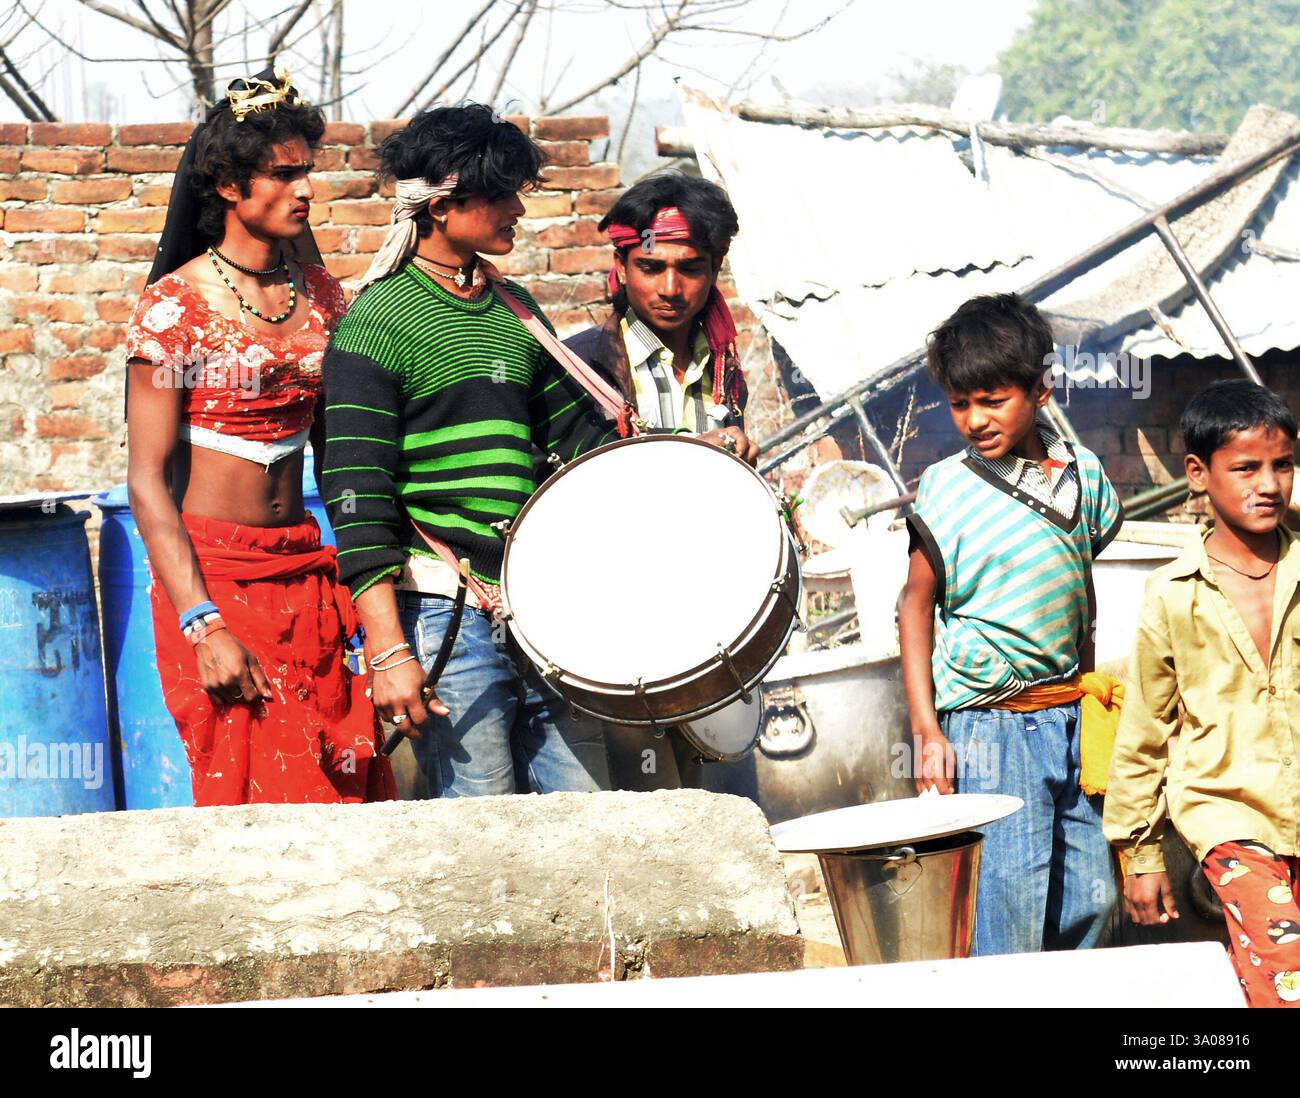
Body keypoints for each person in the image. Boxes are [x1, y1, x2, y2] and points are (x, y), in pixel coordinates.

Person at [321, 104, 632, 798]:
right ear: (443, 203)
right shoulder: (375, 322)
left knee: (584, 822)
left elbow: (582, 445)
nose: (518, 207)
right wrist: (390, 651)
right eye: (501, 192)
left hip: (545, 608)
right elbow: (355, 501)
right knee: (482, 840)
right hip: (441, 614)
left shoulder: (516, 309)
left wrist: (685, 454)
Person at [125, 67, 394, 806]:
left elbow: (344, 456)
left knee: (346, 781)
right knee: (258, 803)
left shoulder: (328, 299)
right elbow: (147, 481)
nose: (305, 190)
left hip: (306, 572)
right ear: (229, 186)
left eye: (307, 171)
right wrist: (200, 622)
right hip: (216, 580)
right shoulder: (174, 308)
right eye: (284, 174)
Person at [898, 292, 1124, 955]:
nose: (974, 419)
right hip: (991, 723)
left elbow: (1075, 576)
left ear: (1042, 389)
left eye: (993, 399)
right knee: (1011, 906)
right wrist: (925, 731)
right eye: (961, 403)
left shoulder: (1084, 477)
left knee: (1091, 898)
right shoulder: (945, 488)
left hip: (1070, 717)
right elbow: (914, 605)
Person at [1104, 379, 1300, 1007]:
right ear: (1197, 474)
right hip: (1232, 817)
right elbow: (1145, 729)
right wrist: (1140, 855)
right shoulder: (1172, 592)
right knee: (1286, 965)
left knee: (1263, 978)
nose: (1268, 485)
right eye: (1246, 468)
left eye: (1283, 466)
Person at [564, 172, 757, 790]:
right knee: (649, 820)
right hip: (623, 630)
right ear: (621, 267)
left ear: (714, 269)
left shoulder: (724, 371)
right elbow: (566, 504)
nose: (671, 288)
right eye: (651, 267)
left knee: (730, 810)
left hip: (717, 623)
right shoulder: (581, 368)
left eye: (690, 268)